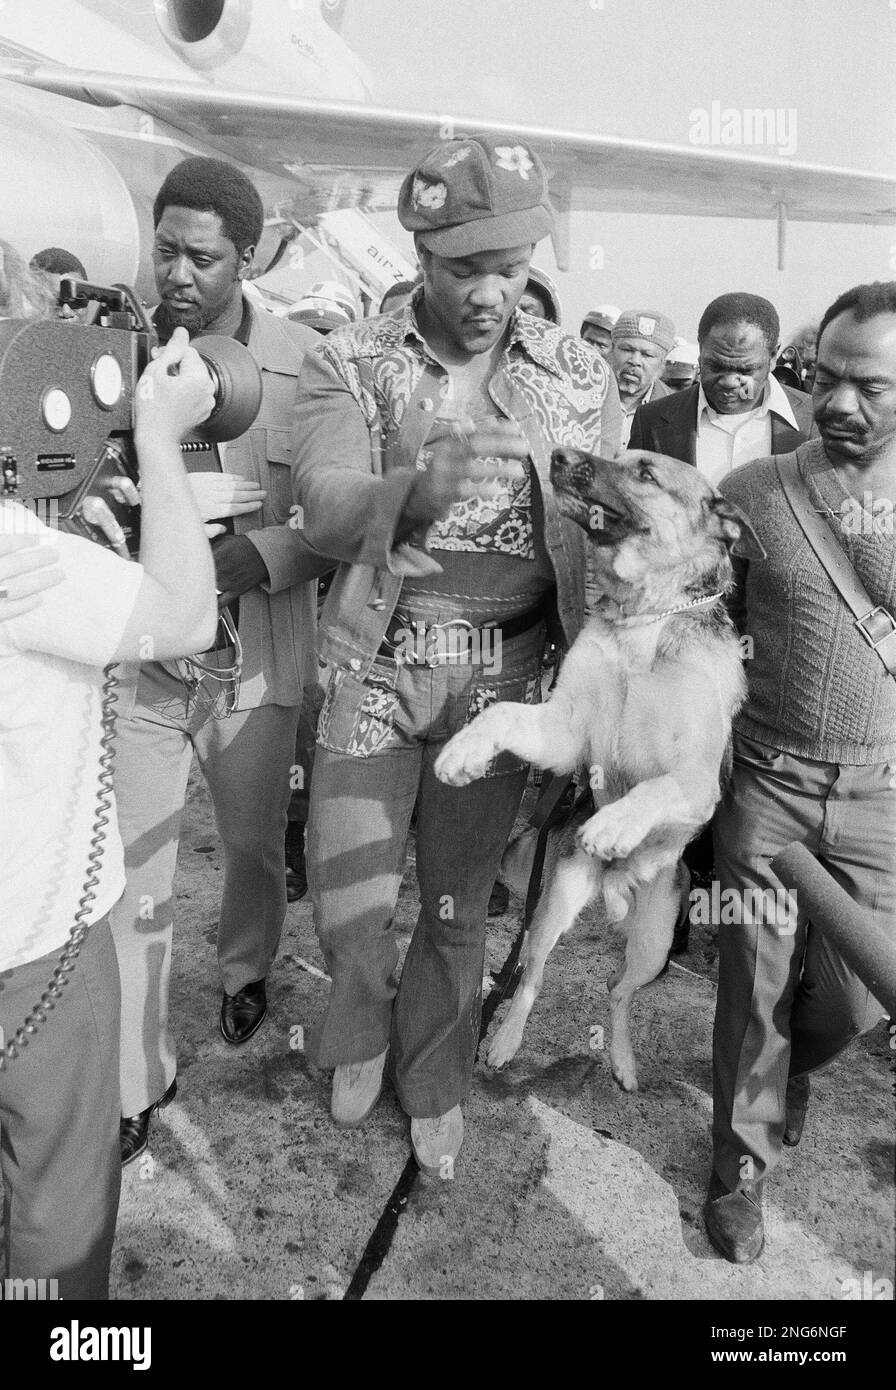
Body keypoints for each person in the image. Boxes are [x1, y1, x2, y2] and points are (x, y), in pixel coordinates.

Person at [292, 133, 621, 1177]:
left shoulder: (577, 376)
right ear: (417, 253)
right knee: (346, 901)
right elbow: (323, 504)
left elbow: (610, 525)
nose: (488, 293)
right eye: (462, 267)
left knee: (455, 906)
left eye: (510, 267)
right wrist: (404, 496)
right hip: (380, 670)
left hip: (507, 680)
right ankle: (353, 1030)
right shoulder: (350, 360)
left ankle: (430, 1074)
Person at [109, 157, 326, 1167]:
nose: (180, 274)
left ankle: (245, 969)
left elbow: (335, 515)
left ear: (248, 256)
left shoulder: (305, 364)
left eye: (203, 256)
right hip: (146, 665)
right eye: (166, 251)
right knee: (138, 872)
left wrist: (265, 552)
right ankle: (135, 1069)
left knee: (248, 849)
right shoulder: (110, 354)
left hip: (252, 665)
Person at [1, 314, 218, 1299]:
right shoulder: (21, 563)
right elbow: (184, 615)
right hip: (32, 949)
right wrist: (162, 439)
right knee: (55, 1208)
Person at [703, 280, 896, 1263]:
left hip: (881, 799)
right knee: (752, 982)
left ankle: (793, 1073)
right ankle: (735, 1169)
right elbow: (707, 623)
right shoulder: (750, 493)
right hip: (768, 788)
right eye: (825, 377)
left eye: (870, 384)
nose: (839, 402)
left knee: (853, 1003)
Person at [630, 292, 816, 487]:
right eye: (716, 367)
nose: (729, 382)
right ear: (700, 351)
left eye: (745, 370)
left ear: (773, 357)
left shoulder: (814, 421)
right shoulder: (651, 421)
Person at [609, 309, 675, 445]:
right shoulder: (587, 391)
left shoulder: (674, 410)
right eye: (627, 350)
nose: (635, 361)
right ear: (612, 349)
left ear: (662, 362)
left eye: (647, 355)